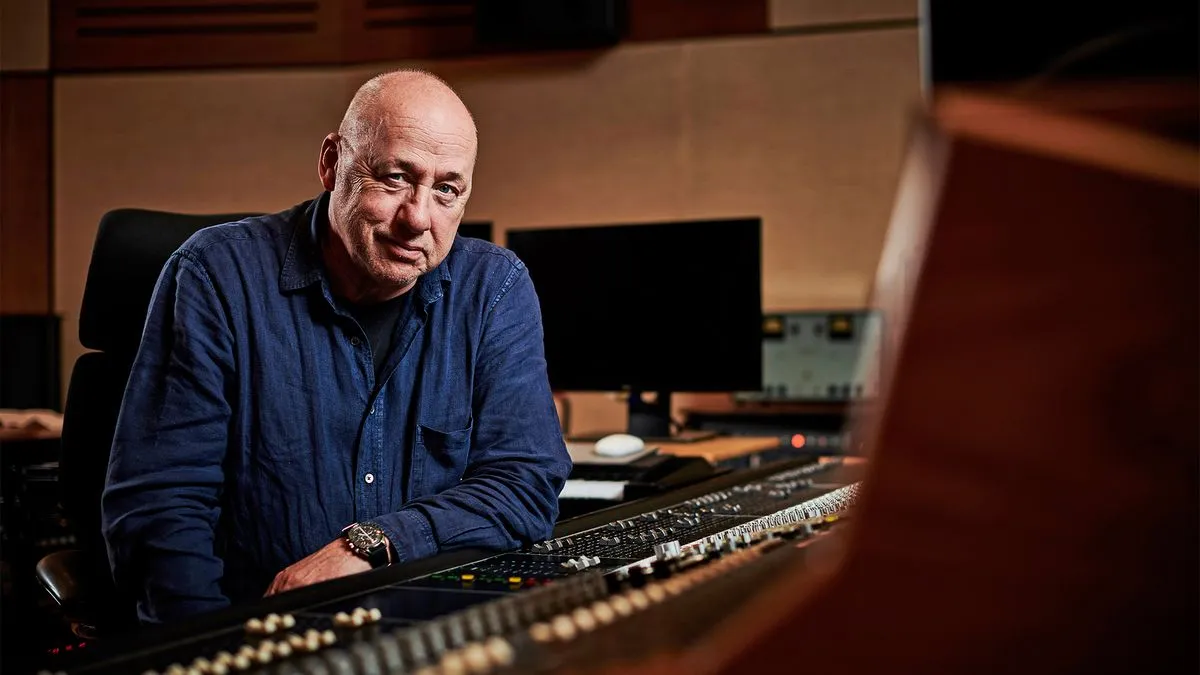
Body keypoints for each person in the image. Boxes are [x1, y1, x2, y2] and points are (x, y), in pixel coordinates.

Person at [101, 69, 572, 623]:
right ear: (331, 163)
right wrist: (215, 649)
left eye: (447, 189)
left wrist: (372, 545)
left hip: (427, 634)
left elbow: (525, 483)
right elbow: (163, 509)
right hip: (261, 635)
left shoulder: (495, 289)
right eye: (396, 177)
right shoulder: (215, 275)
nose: (418, 218)